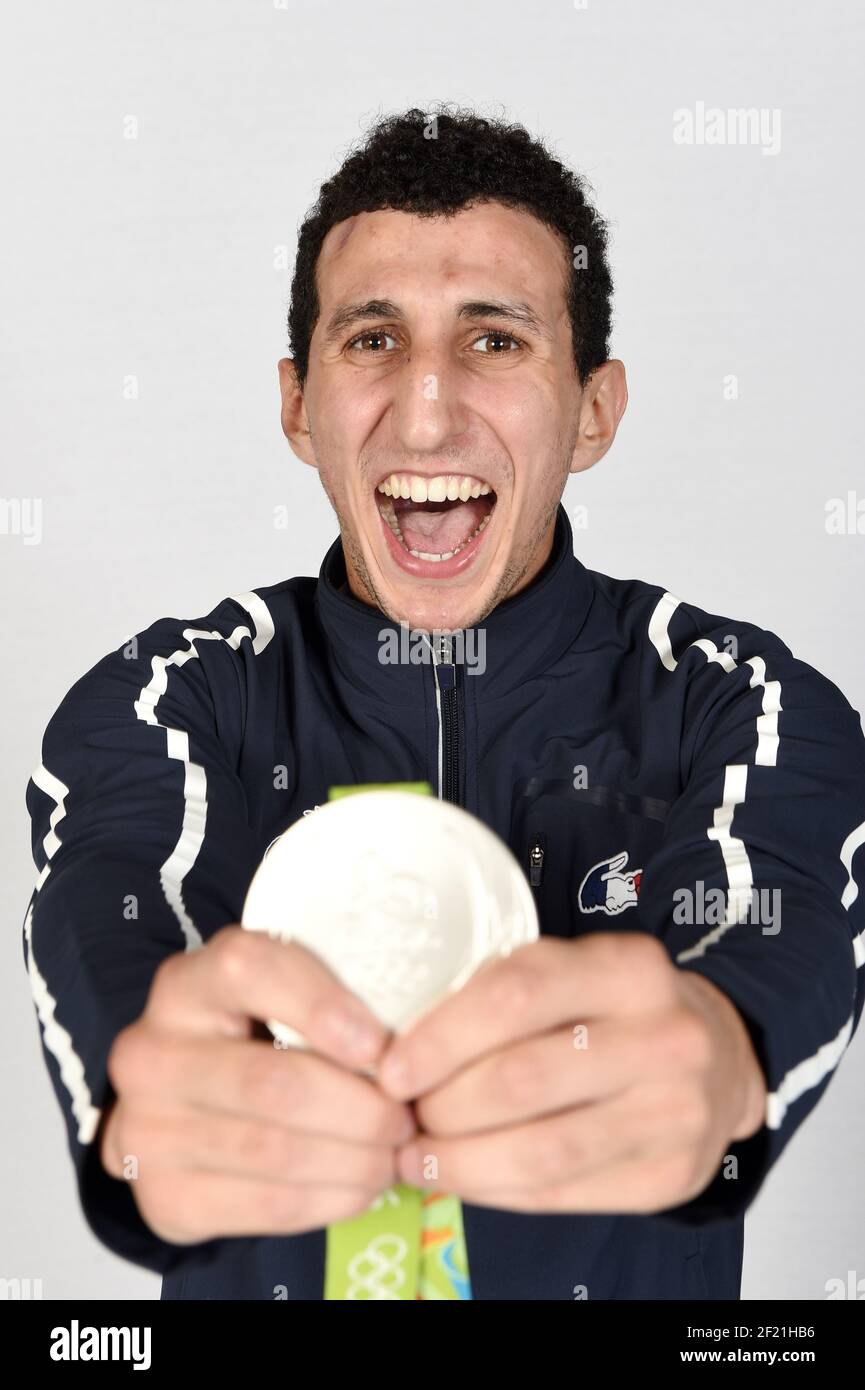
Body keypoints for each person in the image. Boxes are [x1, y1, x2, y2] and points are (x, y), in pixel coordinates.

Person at [23, 105, 865, 1300]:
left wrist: (725, 1051)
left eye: (494, 341)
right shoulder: (166, 697)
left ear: (593, 410)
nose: (424, 412)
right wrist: (136, 1092)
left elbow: (774, 906)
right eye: (372, 339)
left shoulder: (744, 703)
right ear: (298, 403)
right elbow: (115, 898)